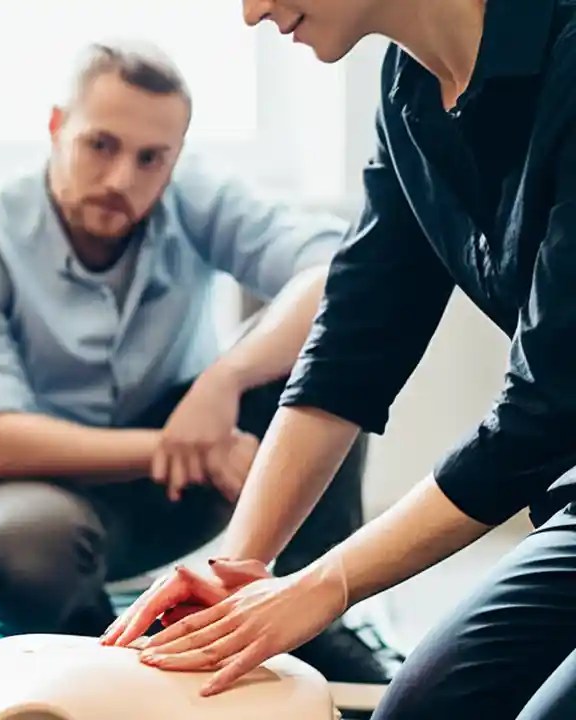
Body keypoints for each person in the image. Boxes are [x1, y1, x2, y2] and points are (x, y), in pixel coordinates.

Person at [104, 1, 576, 718]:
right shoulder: (409, 90)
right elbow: (353, 344)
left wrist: (324, 584)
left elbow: (542, 413)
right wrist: (237, 568)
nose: (252, 12)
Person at [0, 36, 400, 689]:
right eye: (100, 146)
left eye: (151, 159)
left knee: (329, 356)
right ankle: (103, 659)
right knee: (24, 544)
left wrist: (225, 378)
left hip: (190, 484)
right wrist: (171, 445)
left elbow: (340, 272)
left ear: (175, 159)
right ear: (57, 128)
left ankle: (311, 619)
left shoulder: (192, 191)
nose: (123, 179)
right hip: (50, 495)